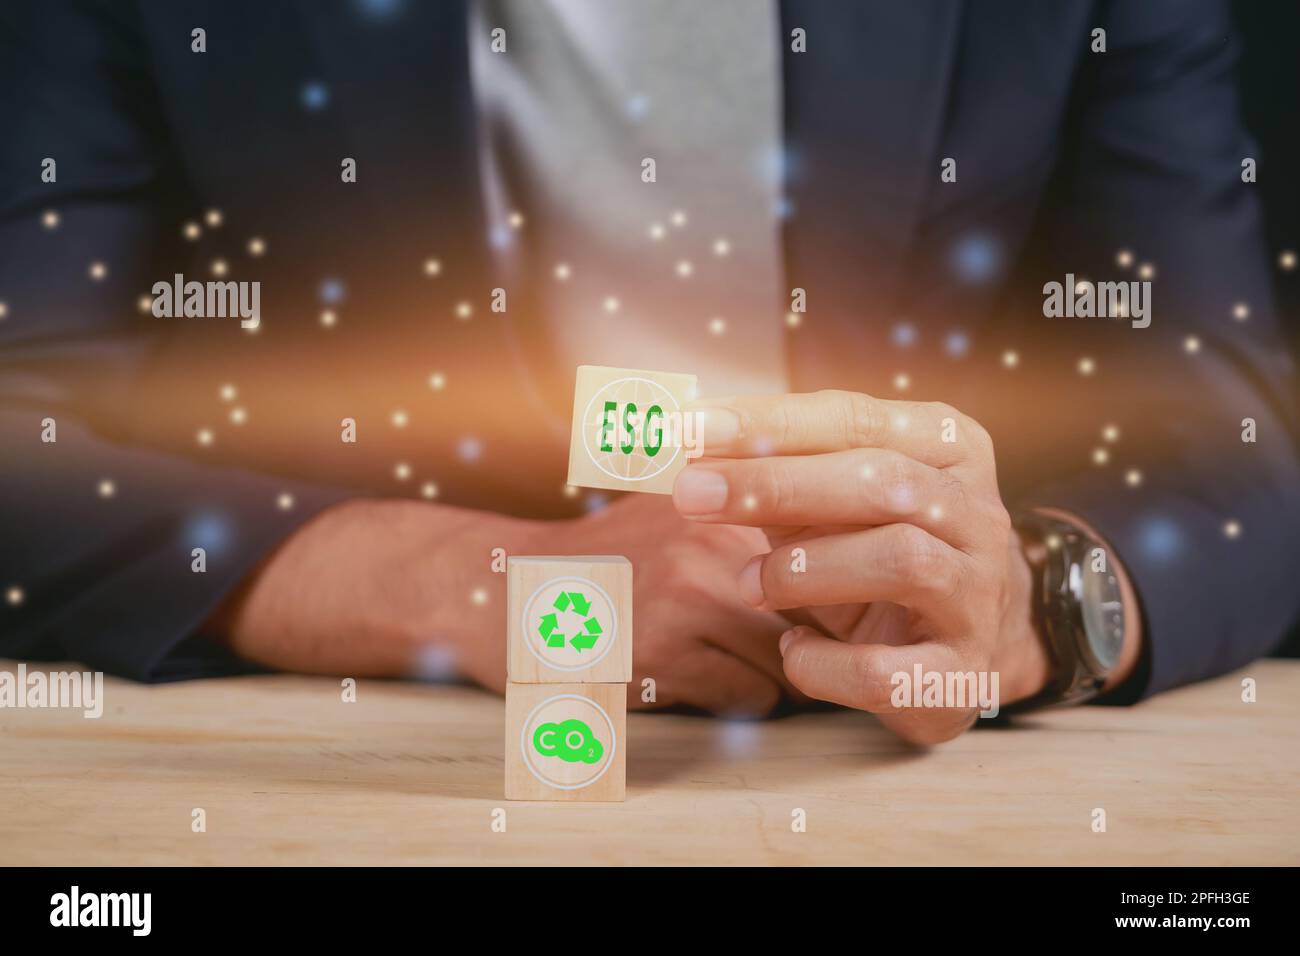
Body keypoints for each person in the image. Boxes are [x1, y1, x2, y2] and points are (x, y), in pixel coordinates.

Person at [2, 0, 1296, 744]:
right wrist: (454, 578)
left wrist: (1039, 602)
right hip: (380, 748)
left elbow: (1237, 437)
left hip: (884, 760)